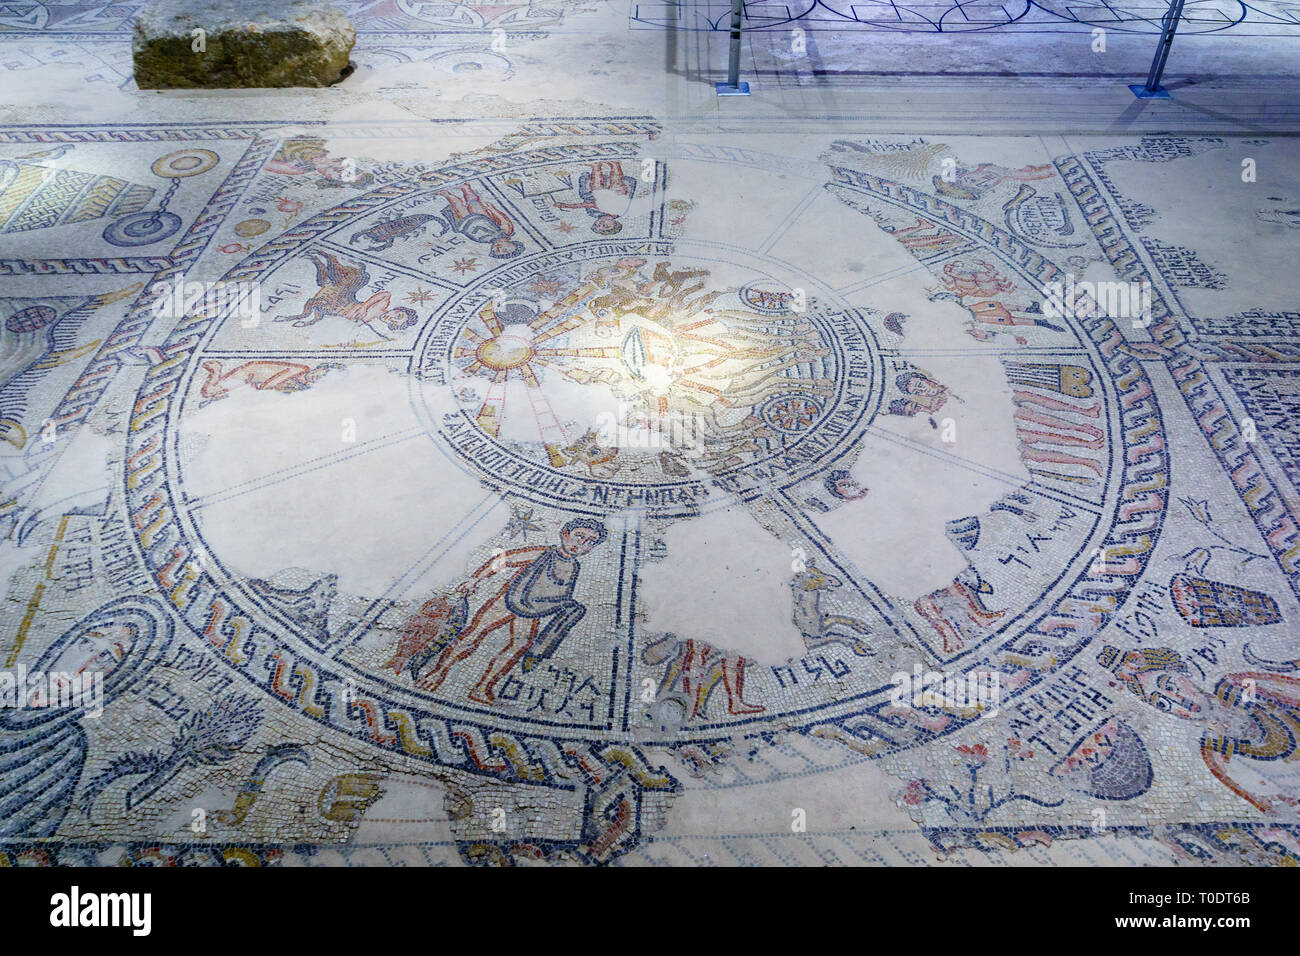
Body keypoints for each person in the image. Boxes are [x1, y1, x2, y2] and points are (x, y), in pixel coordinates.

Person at [419, 519, 608, 705]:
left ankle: (483, 687)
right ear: (565, 534)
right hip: (507, 601)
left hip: (531, 611)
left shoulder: (574, 567)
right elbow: (507, 559)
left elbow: (557, 593)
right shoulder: (544, 553)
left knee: (519, 646)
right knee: (476, 633)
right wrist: (476, 579)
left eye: (590, 542)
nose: (580, 544)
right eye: (579, 536)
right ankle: (438, 672)